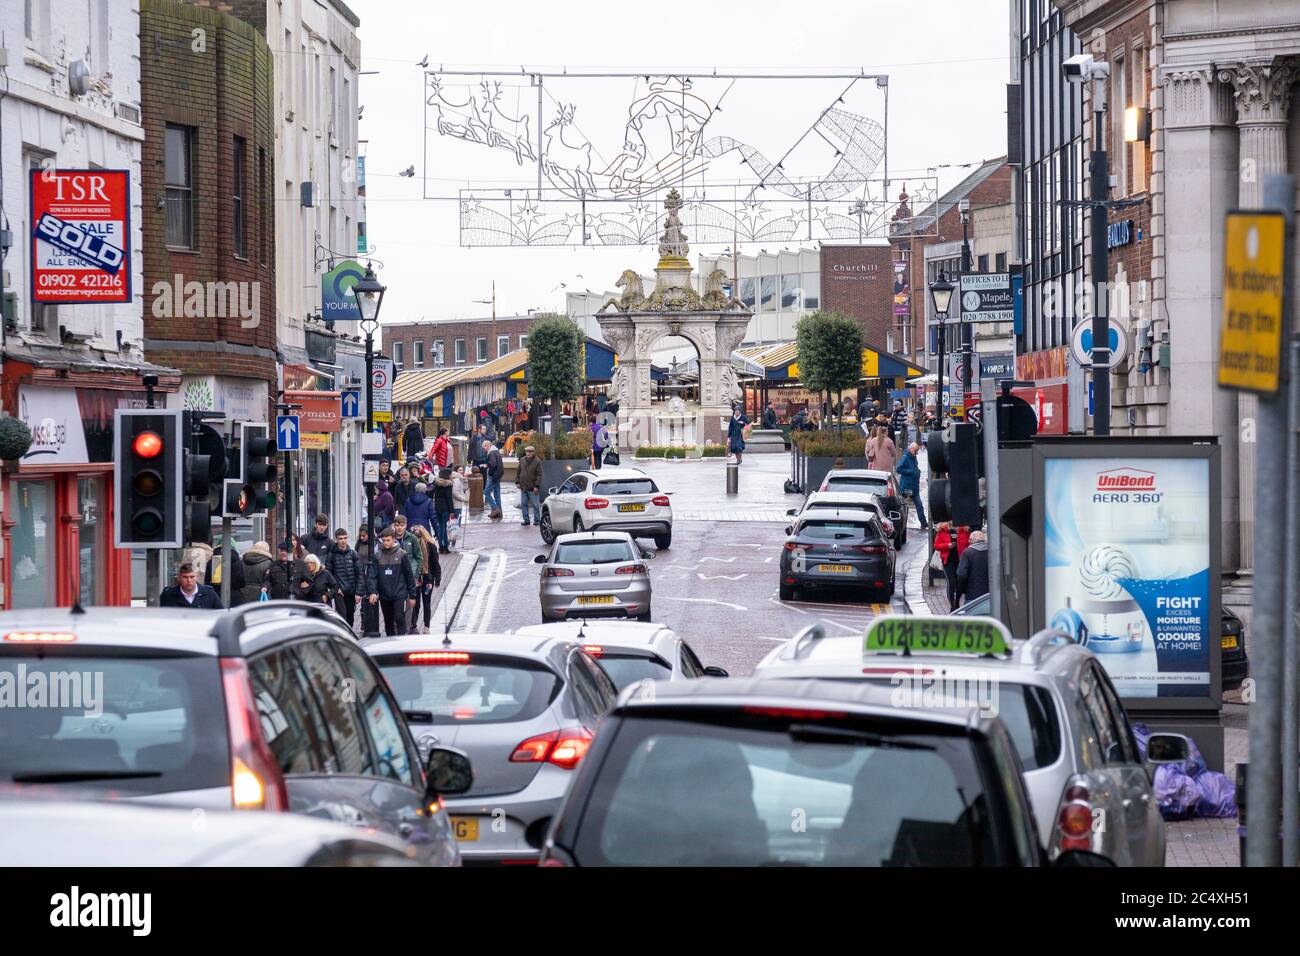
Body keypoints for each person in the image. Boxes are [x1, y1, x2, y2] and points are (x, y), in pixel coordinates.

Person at [366, 526, 416, 636]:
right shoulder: (377, 555)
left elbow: (409, 575)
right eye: (383, 540)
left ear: (394, 539)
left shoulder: (402, 554)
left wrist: (412, 595)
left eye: (388, 540)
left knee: (399, 617)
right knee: (388, 621)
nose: (385, 543)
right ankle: (390, 640)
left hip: (399, 593)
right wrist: (372, 592)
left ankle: (402, 640)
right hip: (384, 594)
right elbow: (372, 576)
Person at [326, 528, 362, 628]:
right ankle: (343, 633)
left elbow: (359, 574)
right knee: (342, 615)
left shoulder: (353, 554)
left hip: (351, 590)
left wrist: (359, 593)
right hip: (339, 591)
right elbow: (328, 574)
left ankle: (348, 633)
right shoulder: (331, 555)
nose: (343, 541)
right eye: (340, 538)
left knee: (350, 615)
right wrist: (336, 588)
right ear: (336, 539)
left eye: (345, 538)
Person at [411, 525, 443, 634]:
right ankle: (413, 625)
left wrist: (437, 579)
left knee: (426, 603)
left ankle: (426, 626)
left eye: (419, 535)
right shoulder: (412, 546)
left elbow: (435, 563)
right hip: (416, 578)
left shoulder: (430, 546)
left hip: (427, 579)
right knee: (416, 603)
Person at [933, 522, 971, 612]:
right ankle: (952, 607)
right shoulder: (942, 530)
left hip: (961, 561)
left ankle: (957, 602)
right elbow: (936, 545)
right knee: (951, 583)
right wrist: (948, 546)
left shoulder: (964, 530)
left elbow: (969, 544)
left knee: (960, 583)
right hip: (948, 561)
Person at [159, 562, 223, 609]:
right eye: (185, 577)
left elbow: (220, 614)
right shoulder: (168, 595)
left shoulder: (209, 594)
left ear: (196, 577)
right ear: (179, 578)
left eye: (192, 577)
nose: (189, 580)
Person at [896, 442, 928, 529]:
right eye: (915, 450)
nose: (917, 452)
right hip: (907, 487)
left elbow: (915, 468)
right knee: (901, 505)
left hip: (914, 487)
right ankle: (899, 523)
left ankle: (924, 523)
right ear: (910, 449)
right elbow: (898, 469)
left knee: (919, 505)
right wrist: (910, 472)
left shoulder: (913, 457)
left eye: (917, 450)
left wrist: (918, 471)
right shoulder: (905, 457)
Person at [956, 530, 990, 606]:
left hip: (972, 594)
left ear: (971, 541)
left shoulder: (967, 553)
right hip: (989, 594)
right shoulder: (991, 552)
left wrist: (963, 590)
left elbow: (961, 575)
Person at [239, 541, 274, 605]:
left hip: (243, 594)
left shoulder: (242, 561)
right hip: (261, 594)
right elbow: (269, 581)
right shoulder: (268, 563)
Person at [517, 444, 543, 528]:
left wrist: (537, 486)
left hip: (533, 487)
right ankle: (526, 520)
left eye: (530, 452)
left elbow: (539, 475)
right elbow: (518, 471)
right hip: (523, 486)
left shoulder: (537, 461)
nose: (528, 453)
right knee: (524, 504)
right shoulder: (522, 460)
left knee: (535, 505)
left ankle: (537, 520)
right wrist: (517, 482)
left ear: (533, 452)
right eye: (527, 451)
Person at [432, 467, 456, 553]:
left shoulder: (436, 482)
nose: (451, 476)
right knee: (445, 528)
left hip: (437, 506)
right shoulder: (448, 484)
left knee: (440, 527)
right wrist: (452, 511)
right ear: (447, 475)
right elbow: (449, 498)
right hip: (445, 507)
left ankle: (440, 547)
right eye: (450, 474)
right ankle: (445, 547)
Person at [483, 440, 504, 519]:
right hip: (498, 475)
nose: (484, 449)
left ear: (488, 445)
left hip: (494, 476)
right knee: (497, 494)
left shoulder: (491, 453)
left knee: (486, 492)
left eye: (484, 447)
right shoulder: (496, 451)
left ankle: (495, 508)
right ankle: (499, 513)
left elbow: (493, 464)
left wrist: (489, 471)